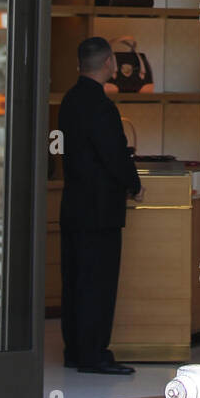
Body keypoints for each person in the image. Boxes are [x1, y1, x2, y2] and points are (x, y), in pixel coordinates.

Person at [58, 36, 143, 375]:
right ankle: (94, 354)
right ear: (108, 63)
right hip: (100, 210)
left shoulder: (70, 100)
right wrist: (134, 185)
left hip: (74, 205)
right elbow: (114, 154)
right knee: (98, 284)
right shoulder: (102, 105)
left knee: (75, 280)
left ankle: (75, 350)